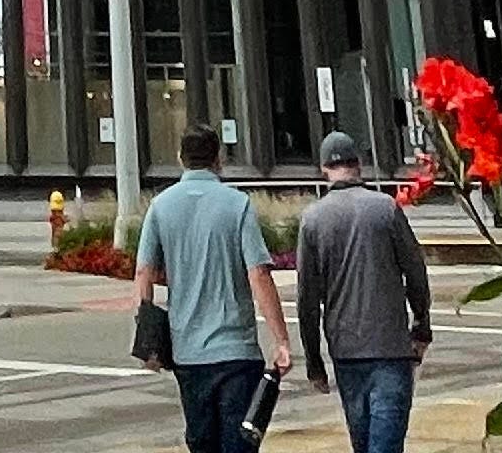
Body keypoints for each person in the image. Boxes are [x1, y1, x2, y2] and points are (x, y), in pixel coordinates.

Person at [136, 126, 292, 453]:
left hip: (188, 353)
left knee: (201, 442)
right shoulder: (237, 205)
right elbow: (259, 275)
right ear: (218, 159)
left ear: (181, 158)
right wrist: (281, 340)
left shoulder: (161, 207)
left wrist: (147, 341)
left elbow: (144, 273)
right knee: (238, 444)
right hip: (237, 351)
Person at [295, 132, 431, 453]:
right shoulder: (386, 209)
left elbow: (307, 300)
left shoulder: (312, 219)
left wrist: (314, 360)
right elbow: (415, 270)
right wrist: (421, 325)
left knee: (363, 442)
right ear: (359, 165)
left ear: (323, 168)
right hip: (391, 347)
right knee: (386, 443)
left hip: (345, 350)